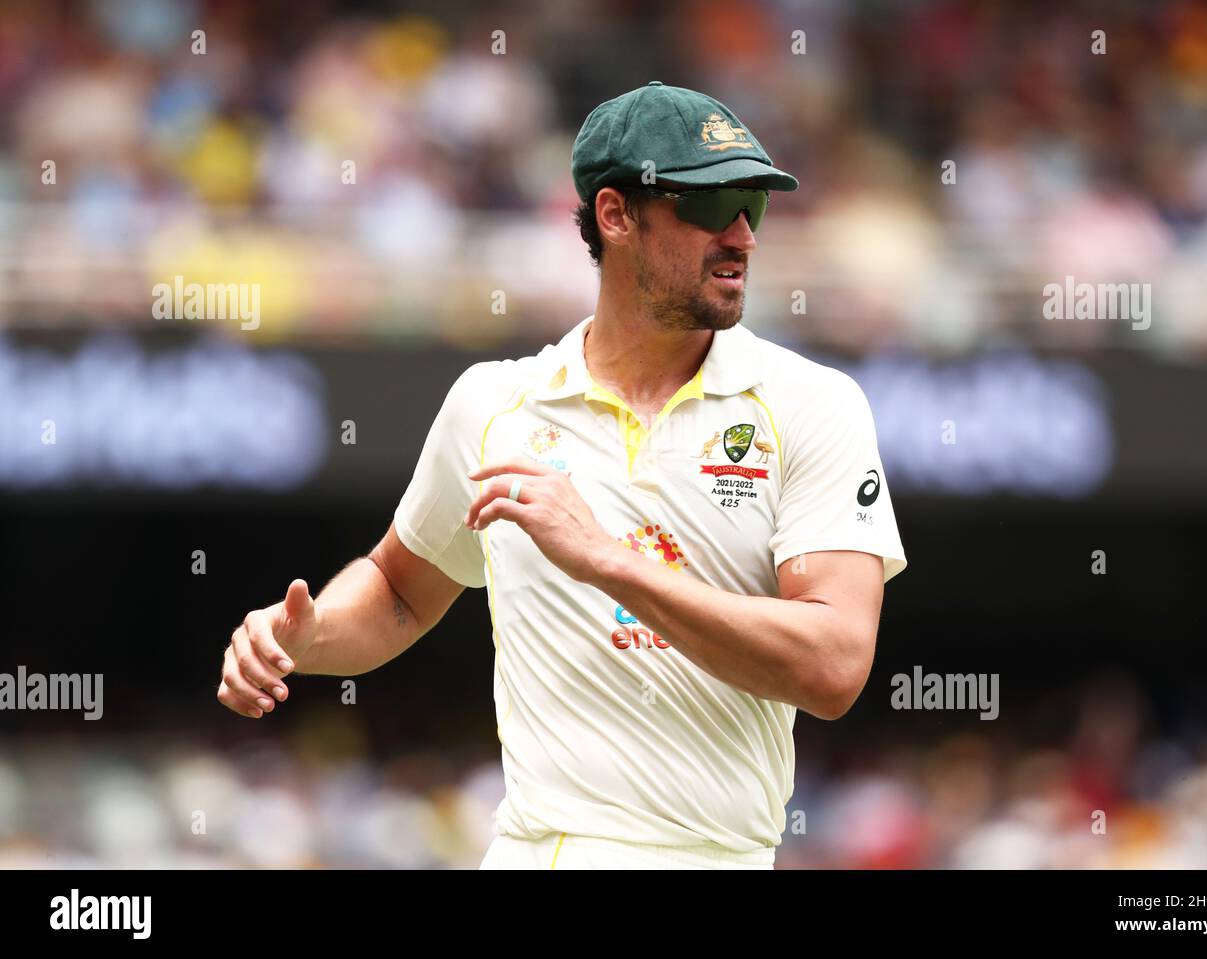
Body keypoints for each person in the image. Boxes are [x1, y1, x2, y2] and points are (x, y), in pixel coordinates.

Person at [217, 82, 907, 869]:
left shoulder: (813, 403)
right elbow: (401, 589)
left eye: (754, 202)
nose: (743, 235)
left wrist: (609, 559)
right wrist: (305, 636)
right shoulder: (495, 403)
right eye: (713, 206)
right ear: (615, 215)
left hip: (732, 855)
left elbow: (834, 665)